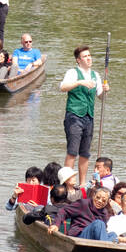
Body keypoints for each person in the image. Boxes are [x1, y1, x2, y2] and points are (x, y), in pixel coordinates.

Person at [60, 45, 107, 188]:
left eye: (89, 55)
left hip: (89, 116)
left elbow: (101, 97)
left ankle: (81, 185)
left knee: (85, 153)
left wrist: (105, 91)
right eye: (85, 56)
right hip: (74, 116)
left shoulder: (96, 75)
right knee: (72, 151)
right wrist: (80, 82)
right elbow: (62, 87)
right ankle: (67, 184)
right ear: (78, 60)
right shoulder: (73, 72)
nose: (89, 58)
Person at [48, 186, 114, 240]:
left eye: (104, 200)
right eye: (98, 197)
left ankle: (104, 246)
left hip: (94, 239)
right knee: (99, 223)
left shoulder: (104, 212)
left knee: (113, 235)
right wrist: (56, 224)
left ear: (108, 201)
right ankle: (104, 248)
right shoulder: (83, 204)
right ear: (94, 195)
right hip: (79, 235)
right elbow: (64, 211)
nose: (99, 201)